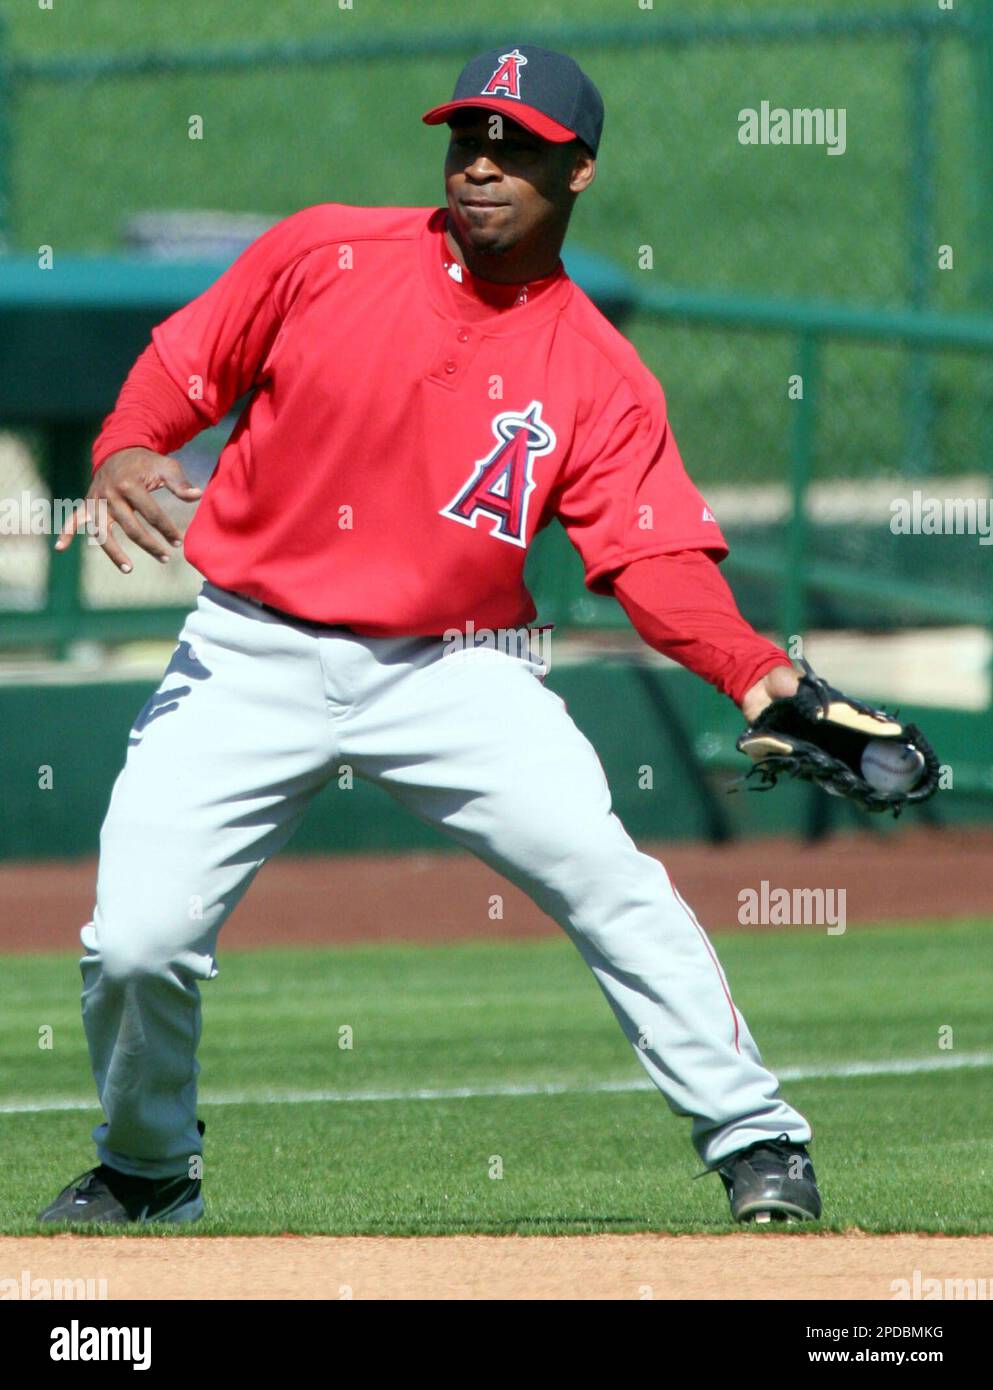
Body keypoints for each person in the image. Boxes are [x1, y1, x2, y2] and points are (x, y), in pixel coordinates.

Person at [41, 45, 821, 1227]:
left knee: (608, 878)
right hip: (250, 646)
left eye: (517, 145)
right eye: (469, 138)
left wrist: (755, 673)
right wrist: (125, 444)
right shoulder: (325, 252)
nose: (483, 164)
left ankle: (759, 1142)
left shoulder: (599, 374)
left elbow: (654, 561)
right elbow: (179, 369)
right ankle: (147, 1168)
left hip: (462, 668)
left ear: (580, 172)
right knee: (138, 941)